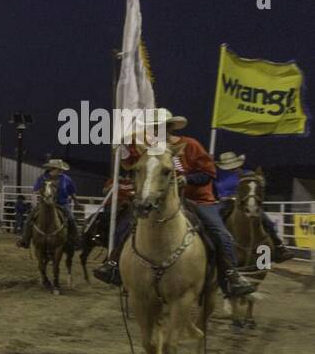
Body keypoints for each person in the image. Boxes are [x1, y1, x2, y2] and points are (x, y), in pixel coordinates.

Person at [95, 110, 256, 297]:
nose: (156, 130)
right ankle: (114, 264)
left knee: (220, 232)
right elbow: (128, 163)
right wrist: (121, 145)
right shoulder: (147, 149)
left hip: (196, 199)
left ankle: (230, 274)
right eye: (152, 127)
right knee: (125, 225)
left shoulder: (190, 145)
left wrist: (187, 180)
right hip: (156, 199)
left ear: (170, 127)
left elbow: (208, 172)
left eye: (160, 127)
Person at [214, 151, 292, 262]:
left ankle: (279, 247)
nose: (231, 167)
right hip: (224, 202)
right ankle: (212, 248)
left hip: (244, 201)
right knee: (214, 220)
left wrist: (260, 181)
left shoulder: (247, 173)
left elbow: (255, 185)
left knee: (267, 221)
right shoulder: (218, 175)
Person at [17, 158, 79, 250]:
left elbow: (72, 191)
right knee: (30, 217)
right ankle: (25, 239)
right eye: (59, 169)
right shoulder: (42, 178)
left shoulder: (66, 179)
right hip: (45, 204)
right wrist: (43, 193)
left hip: (62, 204)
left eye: (61, 169)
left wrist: (76, 200)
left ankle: (75, 240)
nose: (61, 171)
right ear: (53, 168)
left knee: (71, 219)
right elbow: (36, 190)